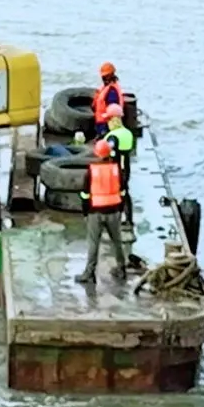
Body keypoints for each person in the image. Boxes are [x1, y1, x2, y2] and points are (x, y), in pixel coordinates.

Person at [76, 113, 137, 287]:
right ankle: (121, 268)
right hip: (114, 212)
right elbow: (123, 191)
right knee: (117, 241)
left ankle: (89, 272)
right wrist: (119, 209)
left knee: (93, 244)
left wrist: (85, 212)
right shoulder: (117, 170)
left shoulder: (92, 171)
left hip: (96, 212)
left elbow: (85, 194)